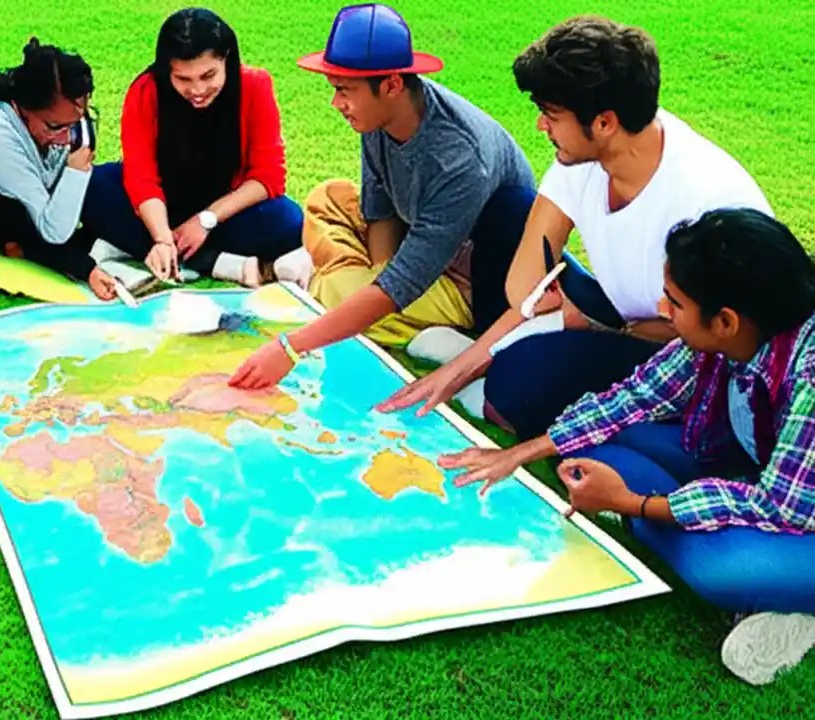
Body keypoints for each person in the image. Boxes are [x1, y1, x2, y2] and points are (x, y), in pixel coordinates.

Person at [440, 208, 815, 686]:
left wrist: (631, 503)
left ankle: (790, 599)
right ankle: (697, 528)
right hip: (764, 475)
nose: (661, 310)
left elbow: (781, 505)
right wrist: (518, 454)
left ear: (725, 321)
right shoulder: (737, 332)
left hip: (794, 508)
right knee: (599, 450)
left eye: (675, 302)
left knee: (716, 567)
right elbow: (636, 396)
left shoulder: (809, 375)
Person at [380, 16, 772, 437]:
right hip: (617, 311)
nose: (540, 125)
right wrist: (478, 355)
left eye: (550, 114)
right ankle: (495, 352)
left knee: (519, 381)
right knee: (507, 209)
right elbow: (525, 286)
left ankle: (515, 374)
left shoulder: (708, 206)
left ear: (604, 123)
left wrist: (593, 323)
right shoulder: (585, 156)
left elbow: (714, 340)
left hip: (684, 357)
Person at [230, 3, 537, 388]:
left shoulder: (458, 159)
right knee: (328, 197)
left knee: (352, 298)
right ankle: (339, 282)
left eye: (344, 91)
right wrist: (378, 273)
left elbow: (403, 283)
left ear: (392, 84)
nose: (335, 104)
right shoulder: (378, 116)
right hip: (411, 244)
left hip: (464, 281)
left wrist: (291, 347)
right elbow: (378, 206)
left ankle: (335, 284)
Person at [82, 7, 305, 288]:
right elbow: (142, 177)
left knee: (286, 221)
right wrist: (162, 236)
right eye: (183, 79)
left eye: (208, 76)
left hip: (224, 212)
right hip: (160, 205)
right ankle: (211, 261)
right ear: (167, 71)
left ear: (227, 60)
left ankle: (138, 248)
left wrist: (206, 220)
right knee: (91, 187)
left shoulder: (255, 86)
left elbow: (268, 177)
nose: (197, 90)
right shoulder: (146, 91)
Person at [0, 38, 117, 300]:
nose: (68, 139)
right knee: (15, 216)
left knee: (105, 180)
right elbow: (51, 230)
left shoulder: (69, 121)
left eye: (76, 123)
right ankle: (6, 248)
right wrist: (88, 269)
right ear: (22, 108)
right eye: (54, 127)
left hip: (18, 198)